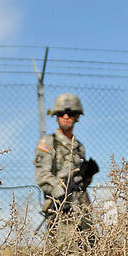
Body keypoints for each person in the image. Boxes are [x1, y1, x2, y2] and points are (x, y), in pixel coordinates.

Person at [34, 92, 96, 240]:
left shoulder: (79, 147)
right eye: (62, 113)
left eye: (70, 113)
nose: (66, 117)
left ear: (77, 116)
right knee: (67, 255)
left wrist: (87, 176)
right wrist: (61, 192)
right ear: (56, 116)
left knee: (89, 251)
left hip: (82, 207)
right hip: (61, 208)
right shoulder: (49, 142)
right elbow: (42, 176)